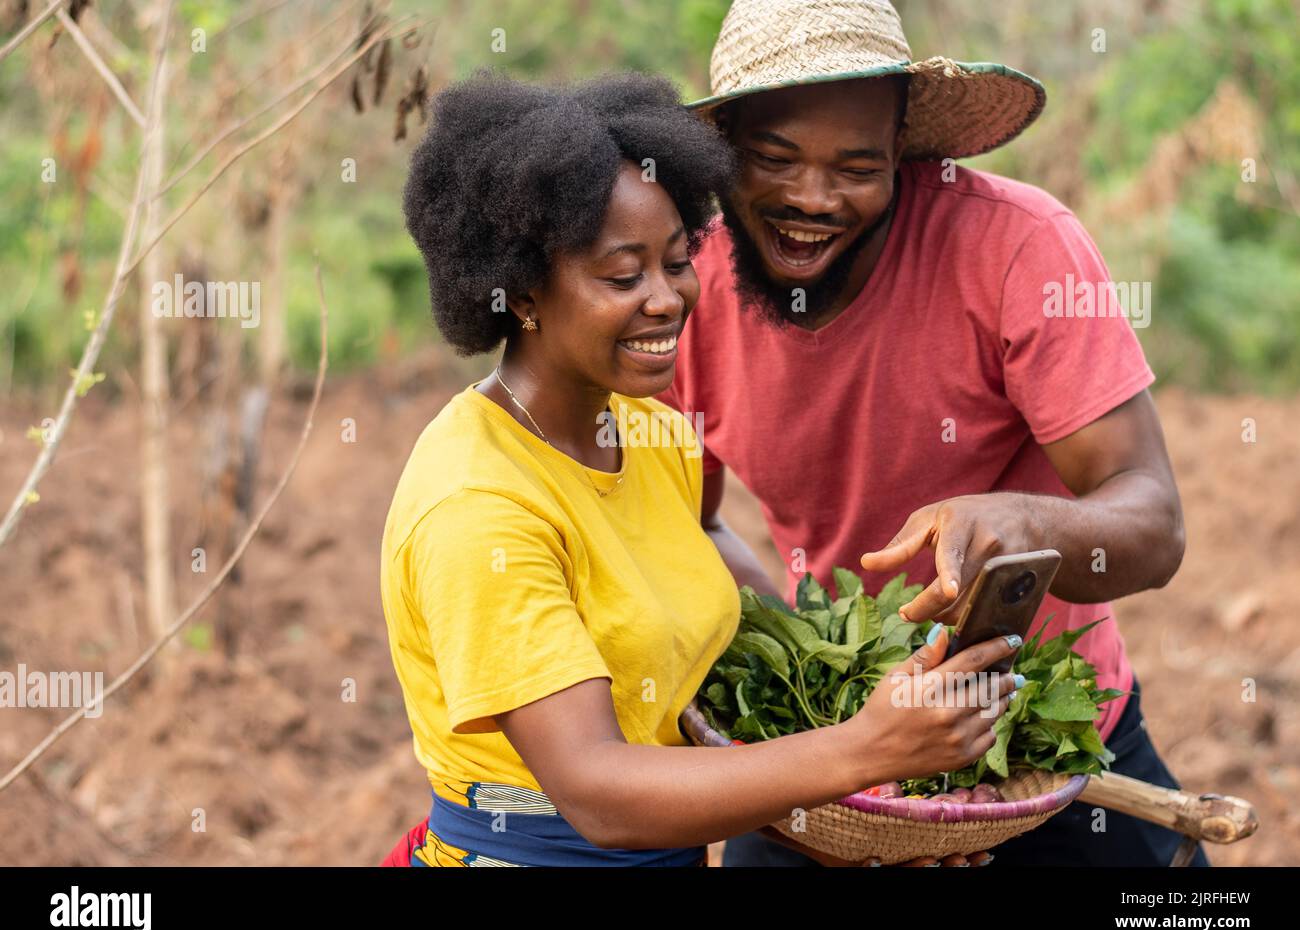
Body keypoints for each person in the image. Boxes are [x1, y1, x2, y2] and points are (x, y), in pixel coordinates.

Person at [378, 70, 1018, 866]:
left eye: (677, 262)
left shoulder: (651, 434)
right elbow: (599, 792)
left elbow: (687, 606)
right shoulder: (478, 504)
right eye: (623, 276)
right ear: (525, 292)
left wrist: (867, 804)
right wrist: (867, 750)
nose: (667, 299)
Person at [660, 0, 1207, 866]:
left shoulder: (1020, 248)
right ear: (722, 144)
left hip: (1035, 749)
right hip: (834, 761)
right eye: (774, 159)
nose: (812, 199)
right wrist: (812, 679)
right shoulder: (682, 285)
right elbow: (684, 523)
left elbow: (1154, 524)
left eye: (857, 167)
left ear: (904, 149)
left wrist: (1030, 526)